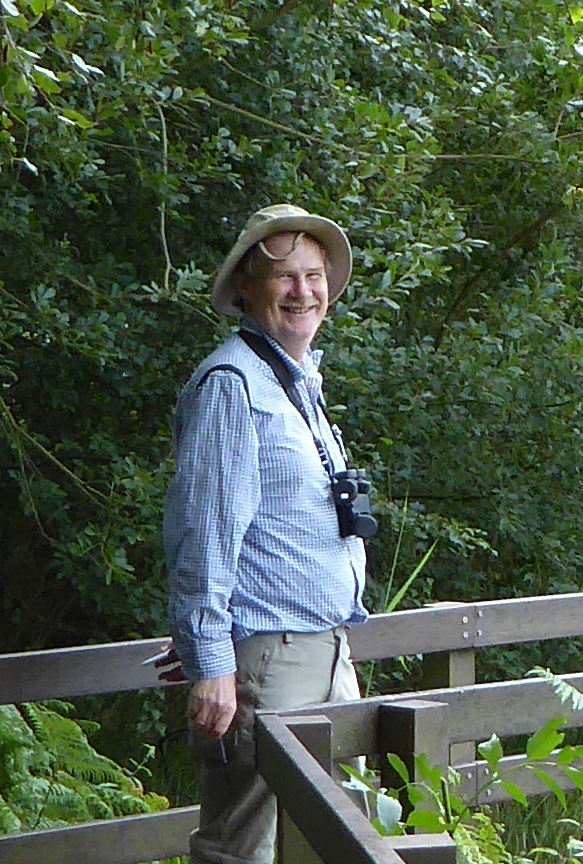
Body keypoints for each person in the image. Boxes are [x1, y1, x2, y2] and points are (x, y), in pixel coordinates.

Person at [160, 203, 372, 864]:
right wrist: (212, 661)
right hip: (268, 664)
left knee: (332, 846)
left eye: (315, 275)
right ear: (248, 287)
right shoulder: (233, 383)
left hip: (327, 651)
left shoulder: (296, 382)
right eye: (285, 276)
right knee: (242, 850)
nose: (304, 291)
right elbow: (205, 531)